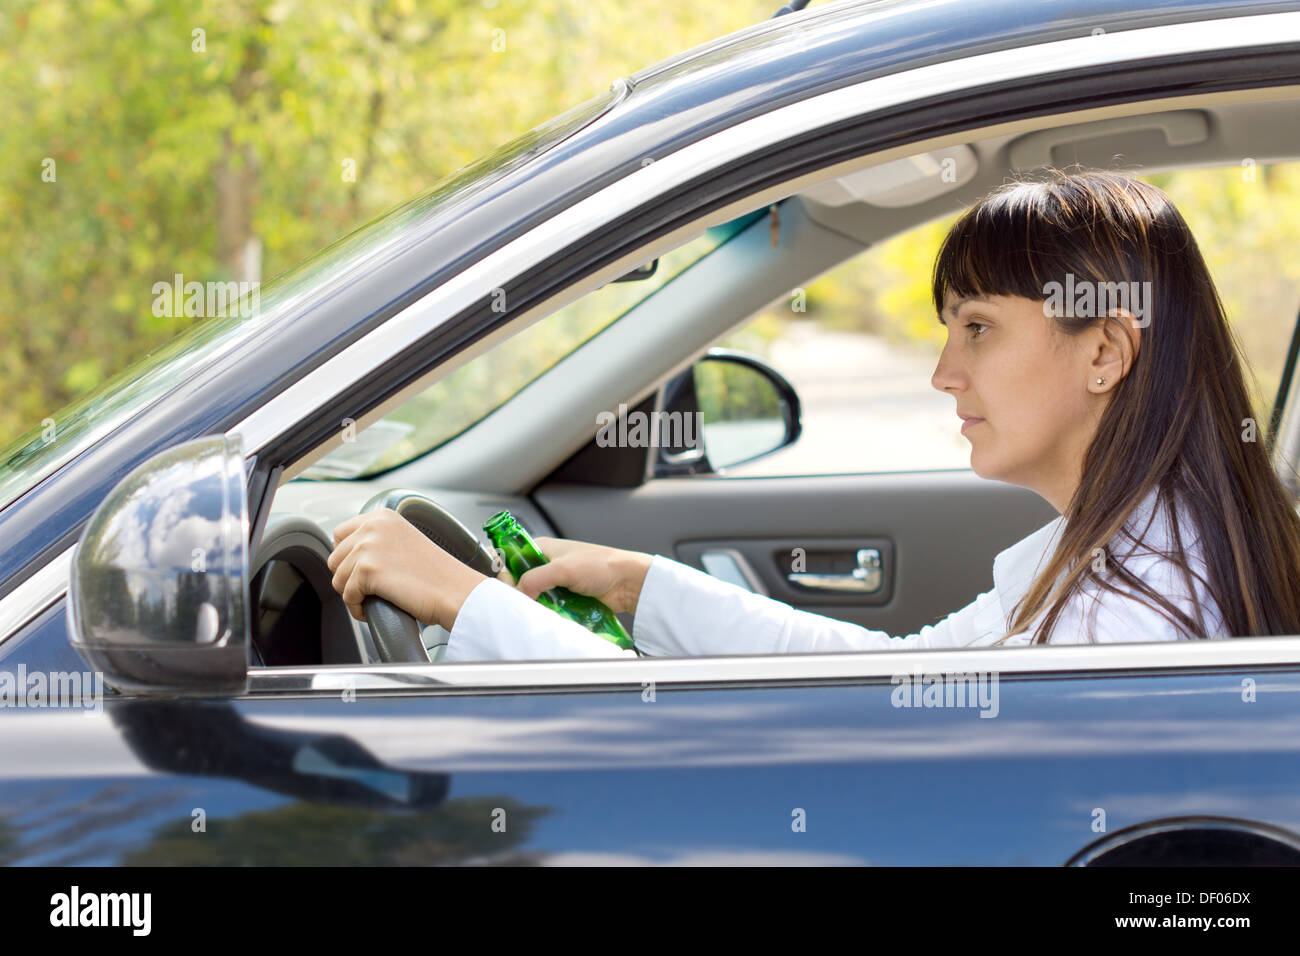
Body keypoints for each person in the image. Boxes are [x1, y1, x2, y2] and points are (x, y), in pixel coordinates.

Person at [327, 168, 1300, 660]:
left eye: (976, 328)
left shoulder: (1122, 616)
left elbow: (763, 753)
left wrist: (466, 602)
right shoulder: (1125, 548)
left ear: (1103, 350)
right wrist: (635, 583)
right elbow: (890, 678)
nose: (941, 373)